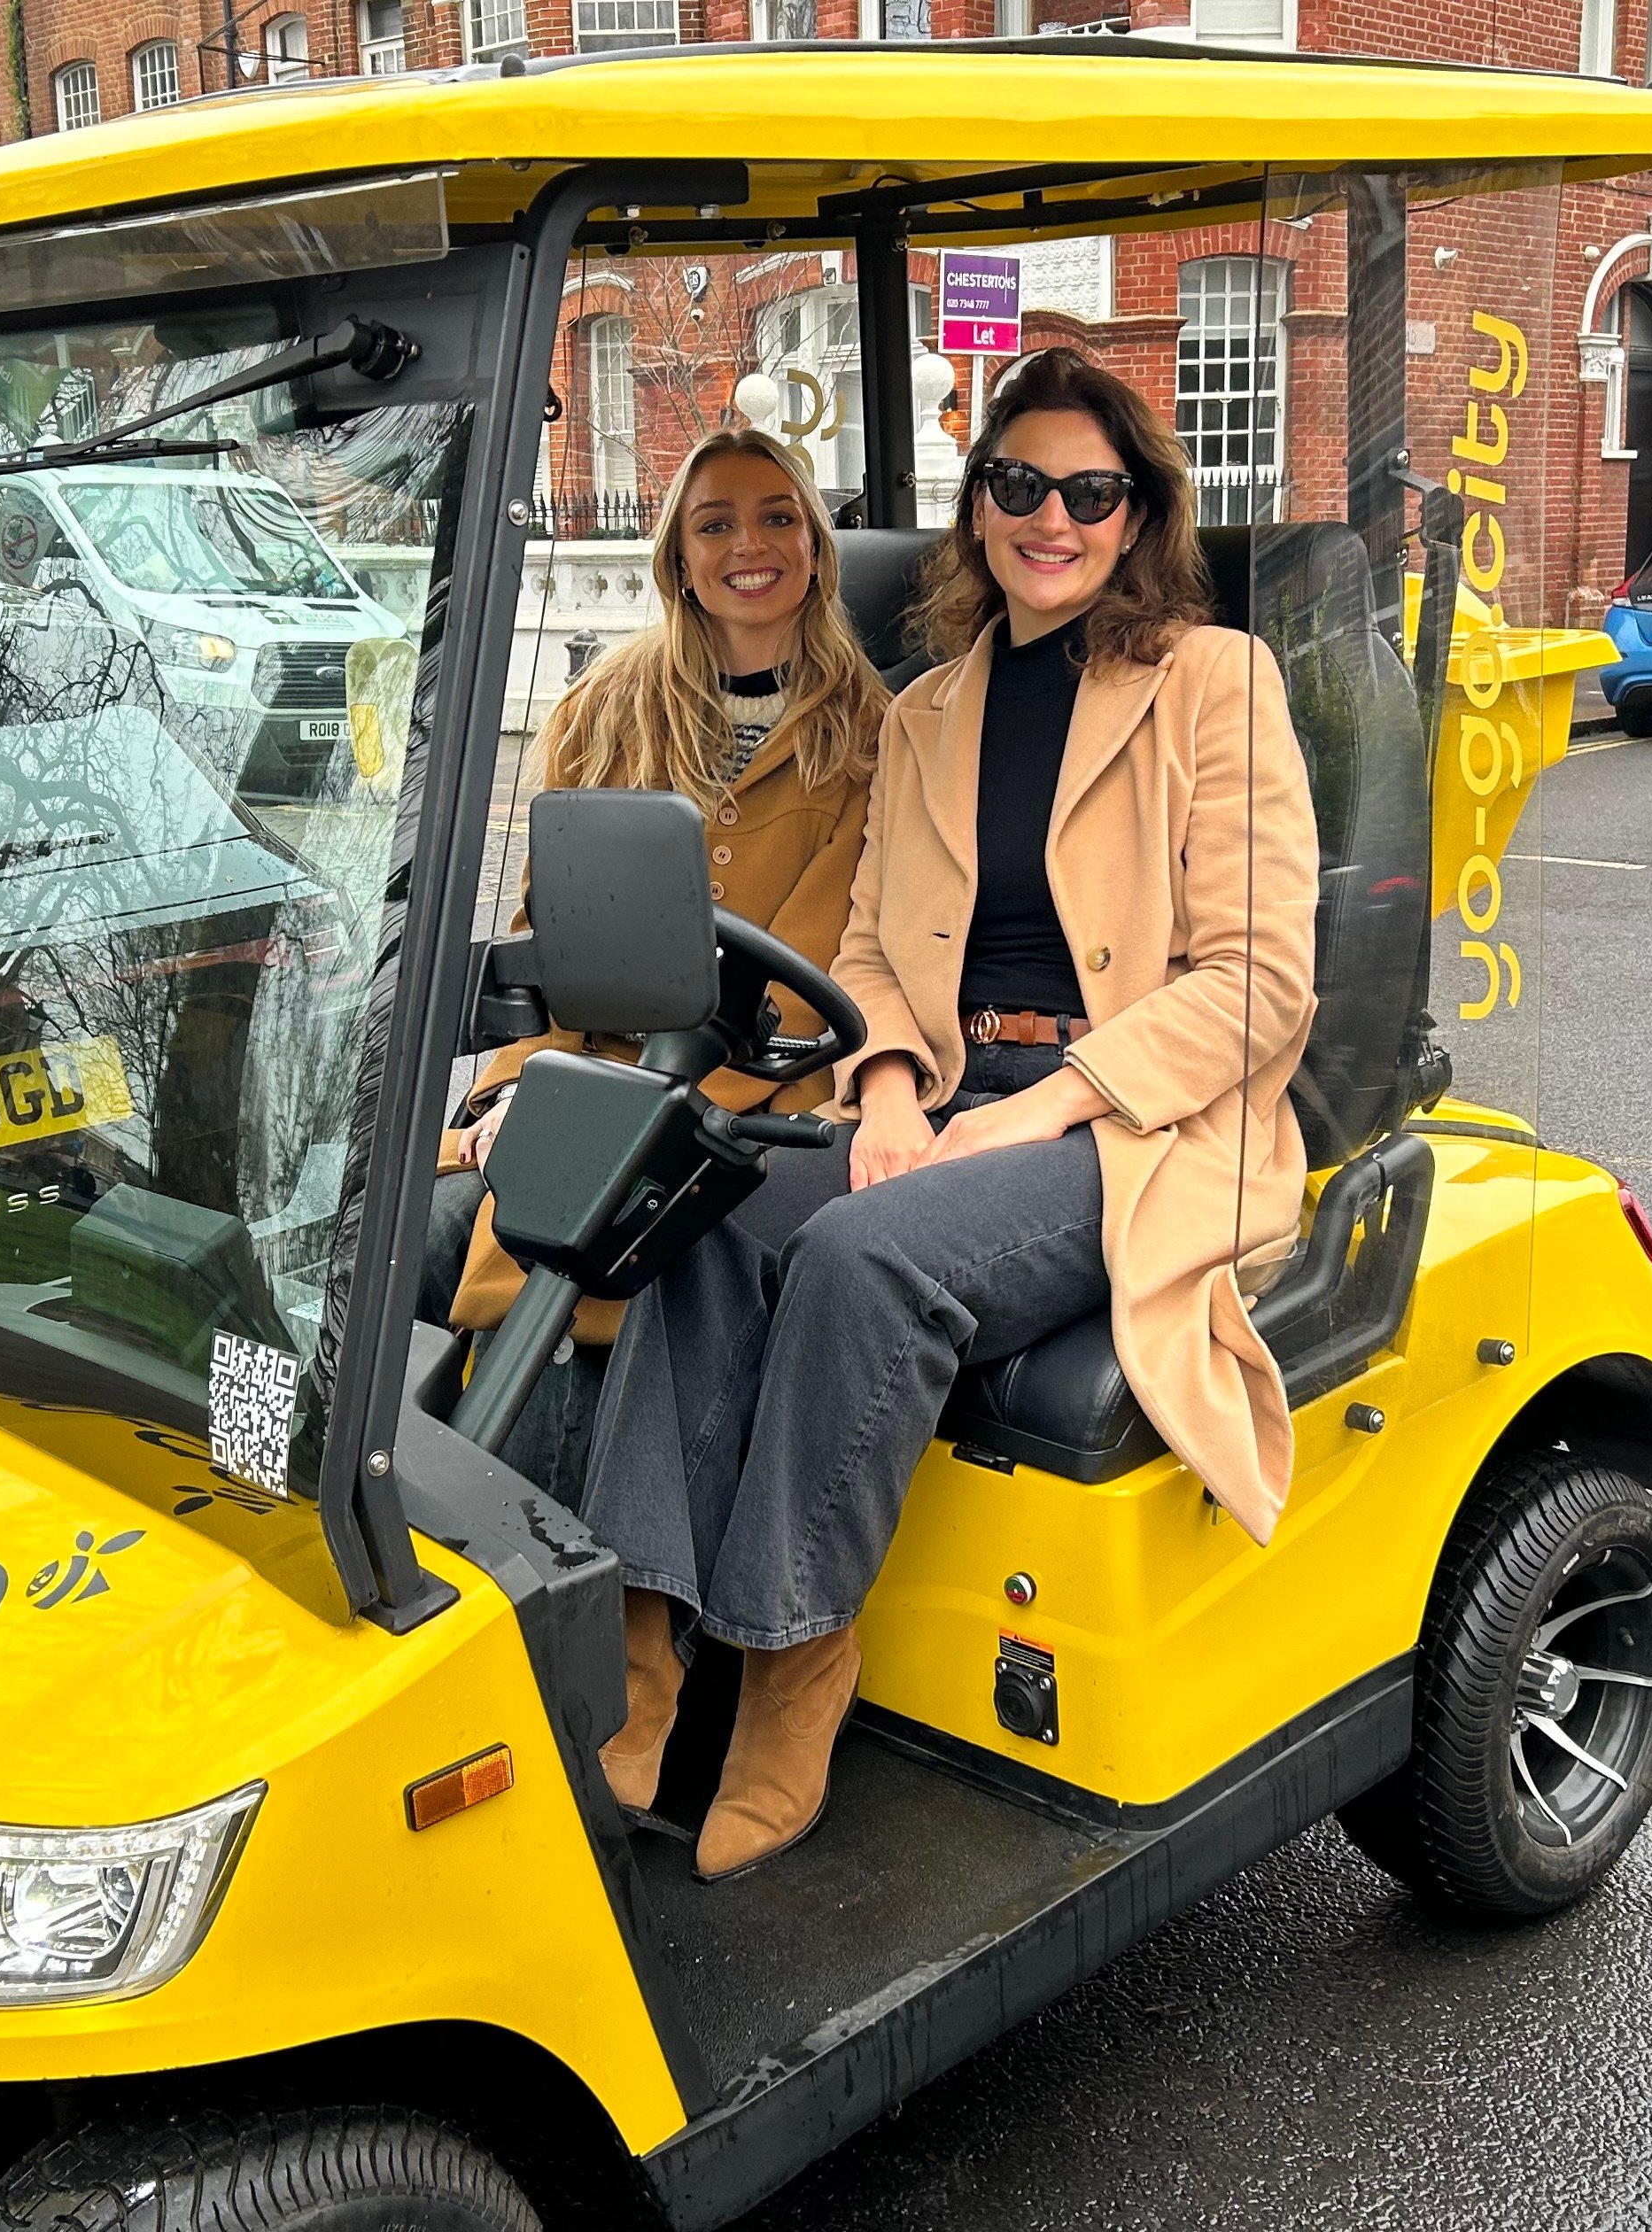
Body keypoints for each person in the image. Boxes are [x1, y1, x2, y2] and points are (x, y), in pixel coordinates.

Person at [579, 349, 1319, 1881]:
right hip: (956, 1093)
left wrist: (1034, 1107)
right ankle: (643, 1662)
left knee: (863, 1261)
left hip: (1132, 1121)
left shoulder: (1212, 683)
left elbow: (1263, 983)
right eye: (1018, 485)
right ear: (977, 509)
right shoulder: (927, 716)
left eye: (1088, 492)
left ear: (1135, 518)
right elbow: (872, 952)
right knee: (690, 1200)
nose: (1051, 517)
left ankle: (791, 1677)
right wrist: (899, 1086)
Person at [424, 428, 893, 1492]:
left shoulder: (870, 735)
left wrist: (596, 1115)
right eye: (713, 523)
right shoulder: (604, 708)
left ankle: (541, 1599)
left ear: (816, 547)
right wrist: (510, 1094)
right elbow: (553, 947)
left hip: (739, 1105)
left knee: (569, 1284)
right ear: (677, 556)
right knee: (406, 1239)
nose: (749, 546)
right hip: (576, 1090)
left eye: (779, 518)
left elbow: (797, 991)